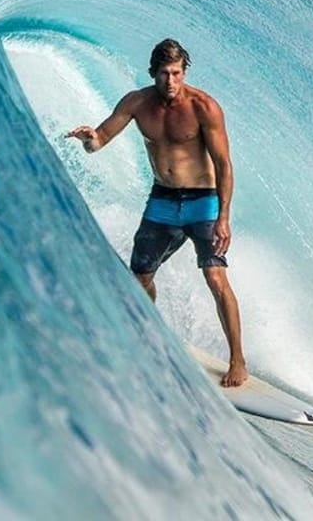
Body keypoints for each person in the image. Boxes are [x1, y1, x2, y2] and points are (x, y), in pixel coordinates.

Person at [65, 38, 248, 387]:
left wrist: (223, 217)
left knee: (214, 277)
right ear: (153, 73)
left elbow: (224, 165)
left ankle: (238, 359)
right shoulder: (137, 103)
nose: (171, 81)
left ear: (185, 71)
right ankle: (149, 335)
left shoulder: (204, 107)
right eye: (164, 73)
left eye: (177, 73)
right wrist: (89, 138)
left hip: (203, 201)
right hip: (163, 200)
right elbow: (100, 140)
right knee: (141, 278)